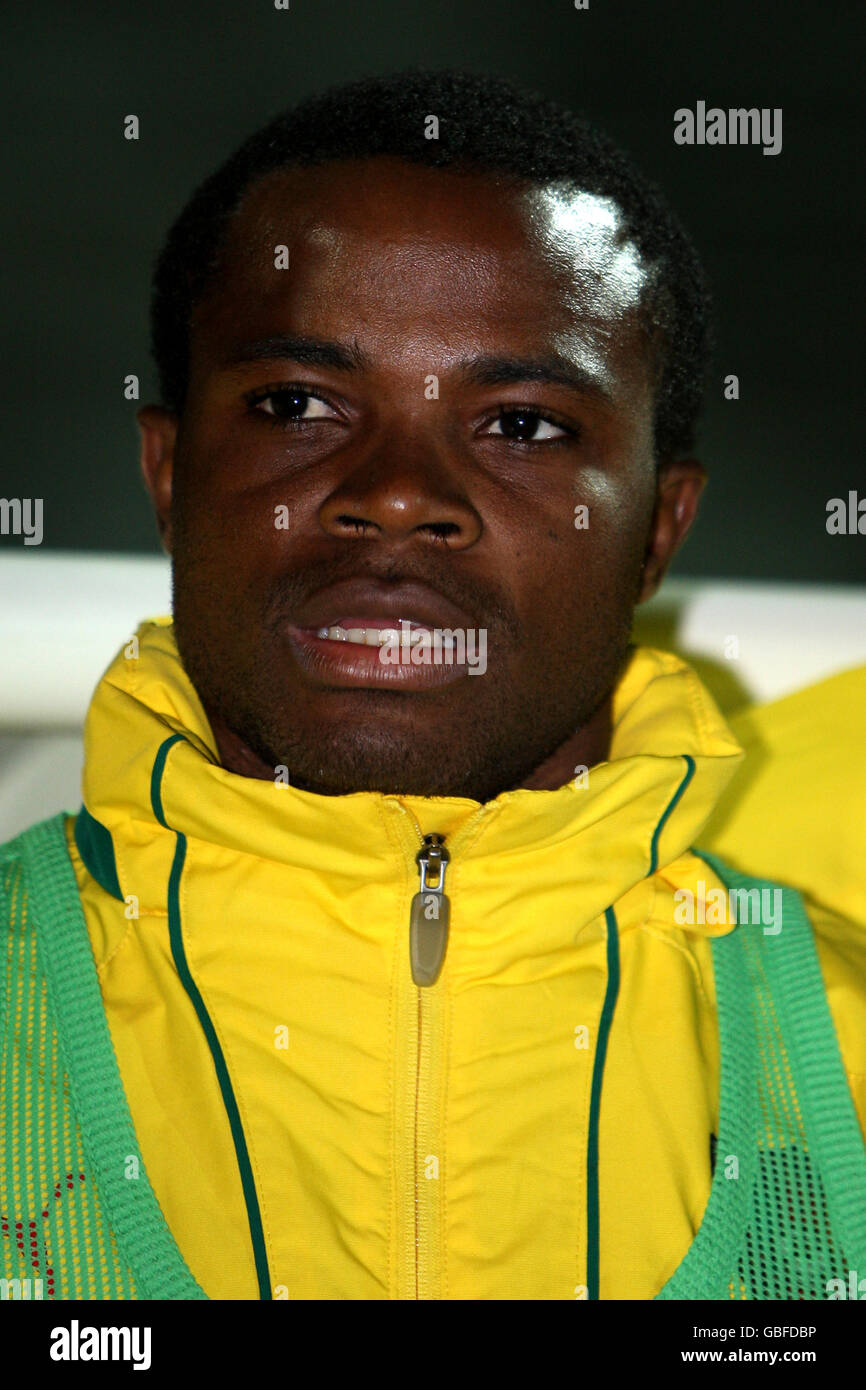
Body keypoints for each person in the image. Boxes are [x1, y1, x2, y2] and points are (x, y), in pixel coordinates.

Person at [2, 69, 864, 1303]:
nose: (397, 493)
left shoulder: (846, 1063)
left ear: (657, 532)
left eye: (519, 425)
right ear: (170, 473)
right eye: (298, 404)